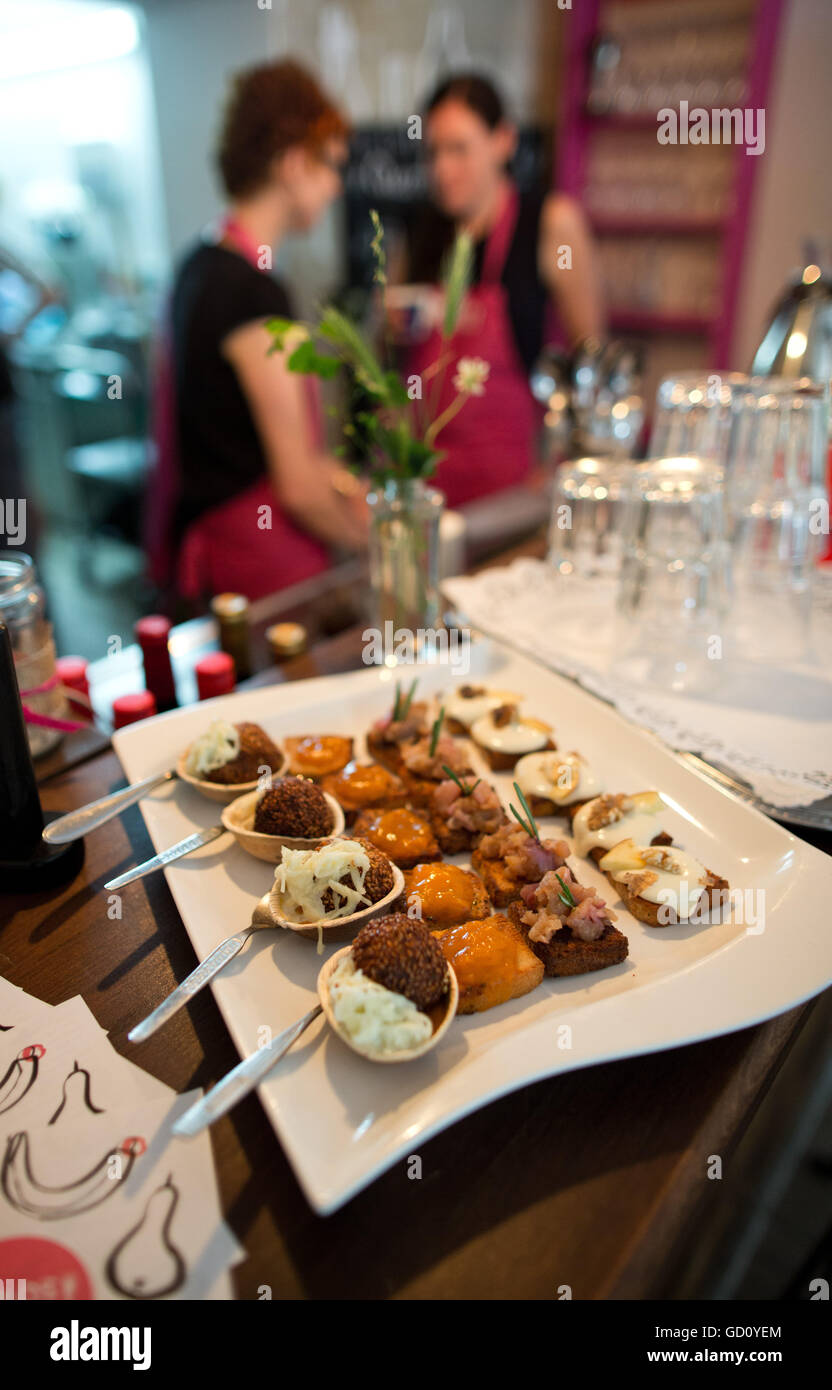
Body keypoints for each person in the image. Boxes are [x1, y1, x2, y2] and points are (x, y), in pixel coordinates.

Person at [148, 60, 368, 603]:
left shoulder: (199, 264)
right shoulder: (253, 293)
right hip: (260, 564)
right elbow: (295, 486)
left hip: (218, 554)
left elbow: (238, 439)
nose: (336, 186)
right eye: (330, 166)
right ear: (293, 165)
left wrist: (343, 482)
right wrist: (374, 544)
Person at [400, 73, 604, 508]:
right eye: (433, 151)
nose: (442, 169)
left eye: (459, 149)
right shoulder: (423, 232)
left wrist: (562, 462)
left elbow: (590, 359)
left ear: (503, 141)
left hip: (514, 492)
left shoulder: (551, 223)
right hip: (429, 488)